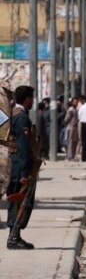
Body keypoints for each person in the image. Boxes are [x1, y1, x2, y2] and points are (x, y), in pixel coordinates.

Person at [6, 85, 38, 249]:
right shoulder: (22, 118)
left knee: (16, 201)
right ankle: (13, 237)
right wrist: (25, 172)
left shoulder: (14, 113)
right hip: (19, 166)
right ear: (27, 99)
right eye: (32, 98)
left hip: (14, 164)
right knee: (20, 201)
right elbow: (23, 146)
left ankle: (15, 235)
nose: (33, 101)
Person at [64, 96, 79, 161]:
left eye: (76, 102)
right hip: (71, 128)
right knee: (70, 142)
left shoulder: (75, 109)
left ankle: (73, 156)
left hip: (75, 127)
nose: (76, 103)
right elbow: (66, 119)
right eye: (74, 102)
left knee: (74, 142)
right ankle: (70, 156)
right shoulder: (71, 110)